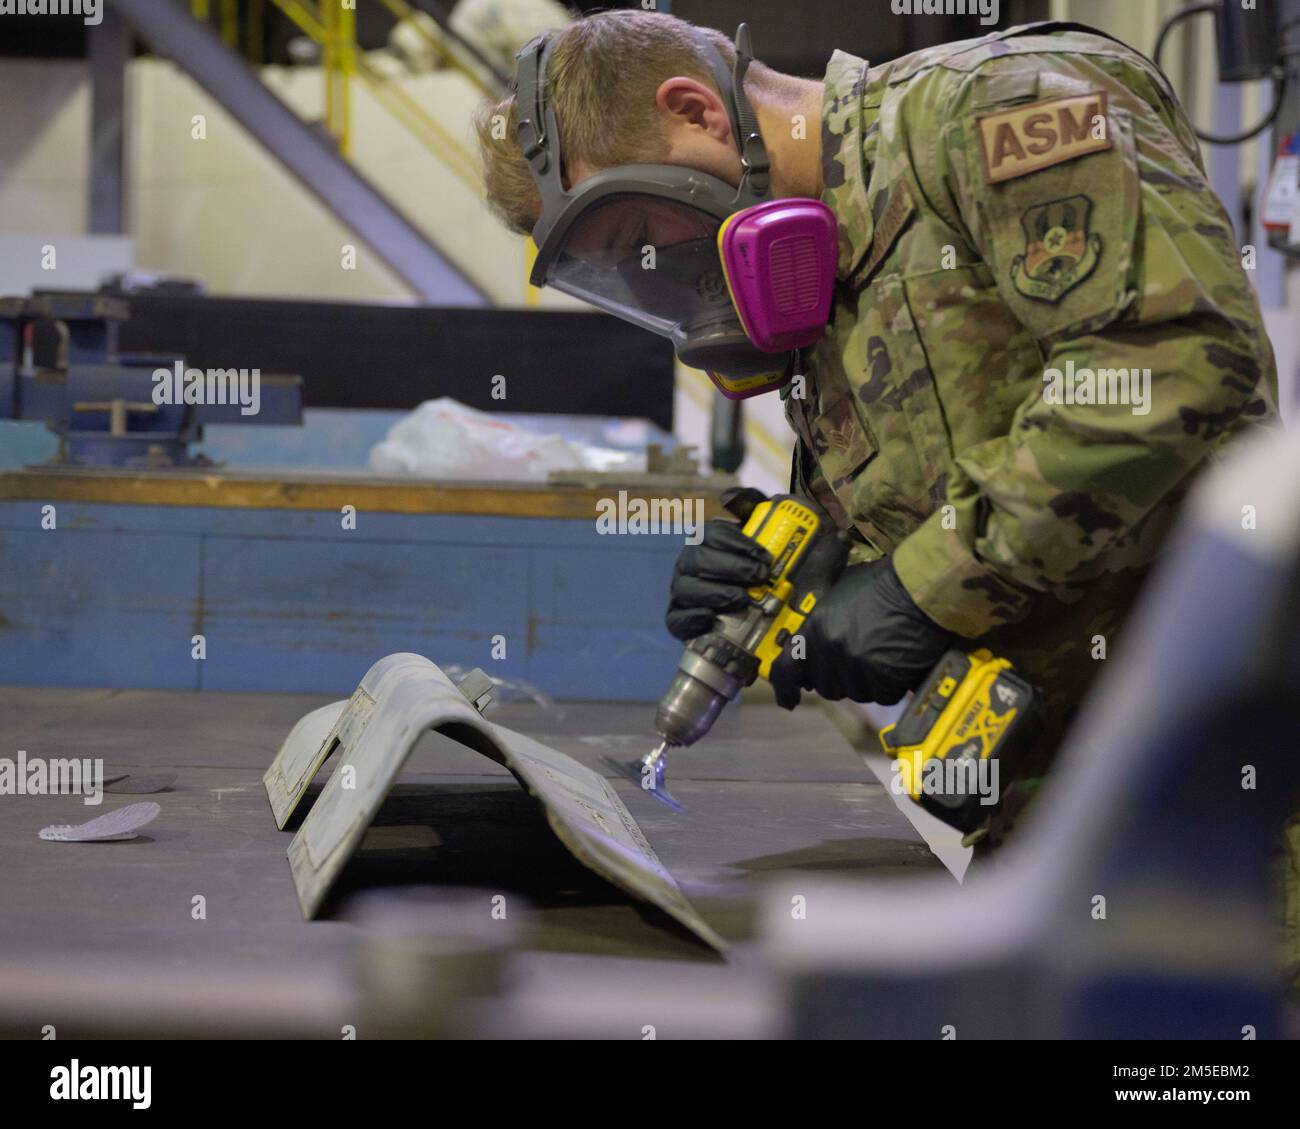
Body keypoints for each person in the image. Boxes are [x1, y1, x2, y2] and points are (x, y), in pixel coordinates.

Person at [473, 12, 1279, 864]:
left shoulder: (993, 111)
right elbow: (947, 470)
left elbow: (1175, 362)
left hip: (1228, 778)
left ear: (697, 111)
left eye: (639, 240)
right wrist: (804, 583)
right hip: (1066, 800)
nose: (658, 275)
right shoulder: (811, 258)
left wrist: (919, 588)